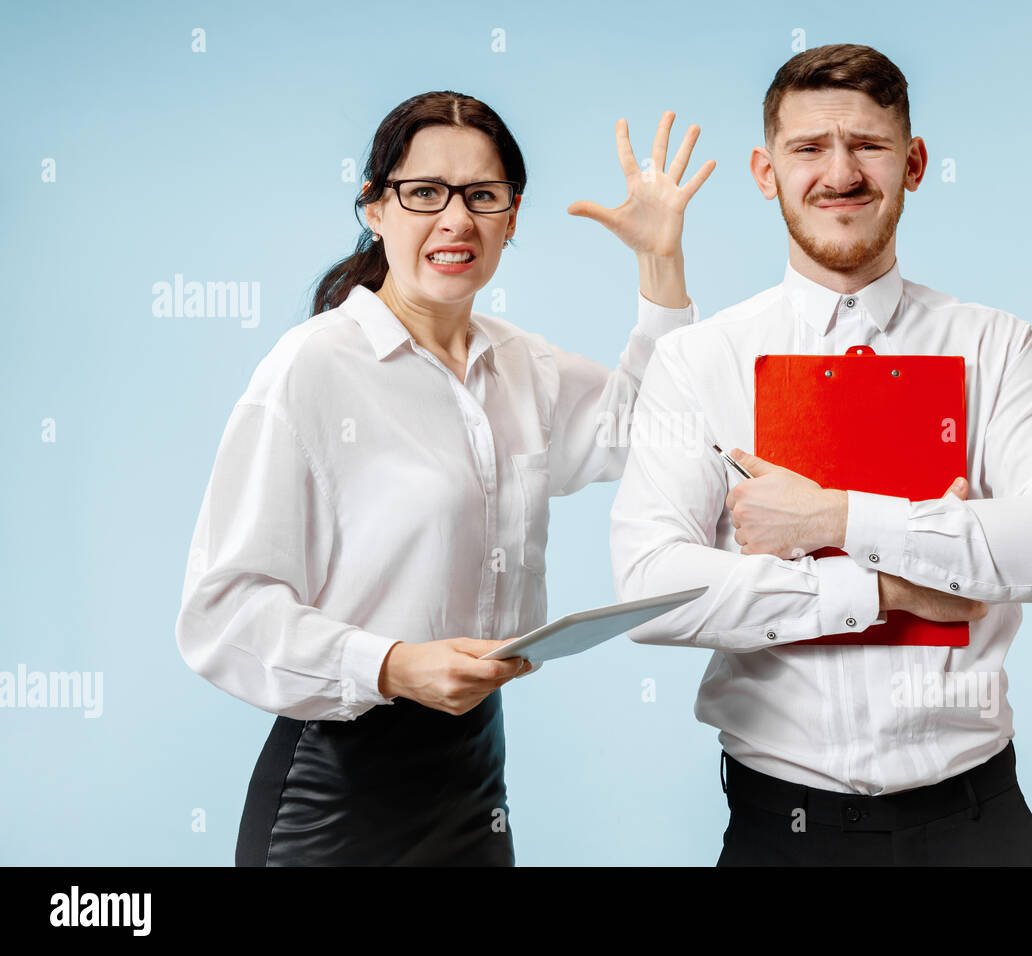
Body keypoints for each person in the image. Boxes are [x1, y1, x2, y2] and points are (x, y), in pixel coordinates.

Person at [175, 91, 714, 866]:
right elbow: (221, 611)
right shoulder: (313, 367)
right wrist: (394, 665)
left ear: (512, 216)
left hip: (472, 780)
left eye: (482, 197)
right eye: (424, 193)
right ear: (375, 208)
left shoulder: (522, 363)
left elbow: (651, 434)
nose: (455, 220)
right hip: (335, 797)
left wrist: (660, 260)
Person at [609, 44, 1032, 866]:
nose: (839, 172)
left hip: (976, 823)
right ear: (765, 172)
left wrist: (837, 516)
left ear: (913, 163)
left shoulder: (995, 344)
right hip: (782, 830)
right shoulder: (698, 361)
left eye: (868, 146)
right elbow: (650, 591)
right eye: (808, 148)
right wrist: (882, 587)